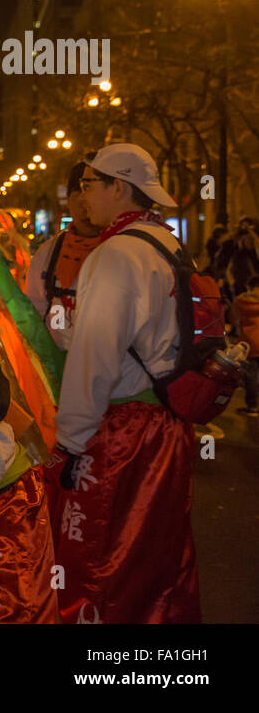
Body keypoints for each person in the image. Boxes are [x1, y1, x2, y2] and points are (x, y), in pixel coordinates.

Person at [45, 142, 200, 622]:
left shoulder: (115, 256)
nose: (82, 195)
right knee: (159, 559)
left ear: (119, 187)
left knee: (103, 560)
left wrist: (68, 440)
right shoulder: (167, 244)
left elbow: (96, 358)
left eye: (91, 184)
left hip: (123, 435)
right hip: (167, 427)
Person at [25, 157, 102, 350]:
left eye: (91, 202)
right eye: (79, 201)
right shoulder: (49, 253)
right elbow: (36, 310)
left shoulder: (121, 252)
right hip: (60, 365)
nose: (86, 211)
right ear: (68, 201)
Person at [230, 275, 259, 417]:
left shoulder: (240, 301)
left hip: (250, 341)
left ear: (249, 287)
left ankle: (252, 406)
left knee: (251, 375)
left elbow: (233, 318)